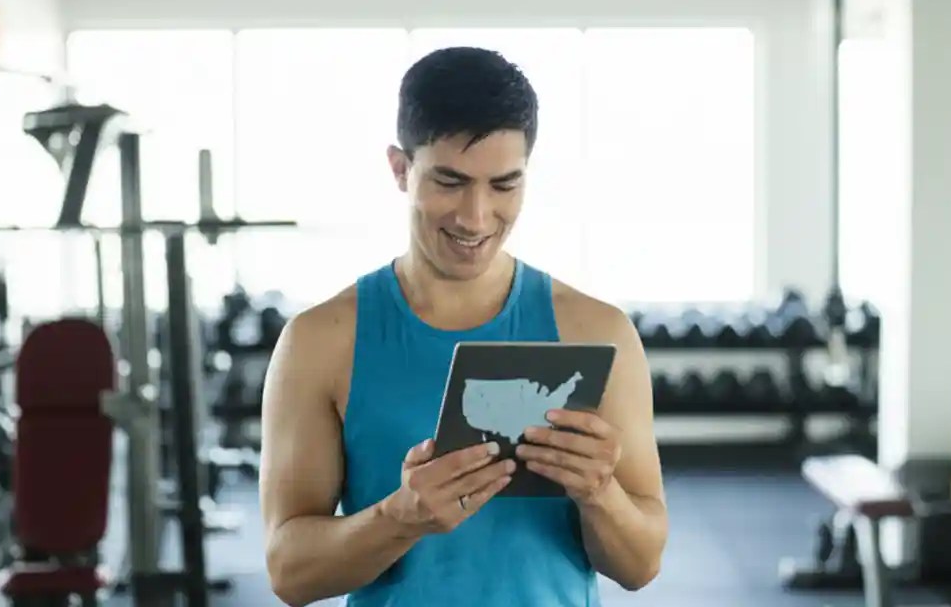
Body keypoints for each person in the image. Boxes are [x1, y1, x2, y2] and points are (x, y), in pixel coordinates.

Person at [260, 46, 668, 607]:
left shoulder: (598, 332)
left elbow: (641, 565)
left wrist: (599, 493)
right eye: (449, 182)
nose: (476, 217)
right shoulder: (322, 340)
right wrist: (399, 517)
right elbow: (289, 573)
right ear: (401, 169)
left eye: (504, 184)